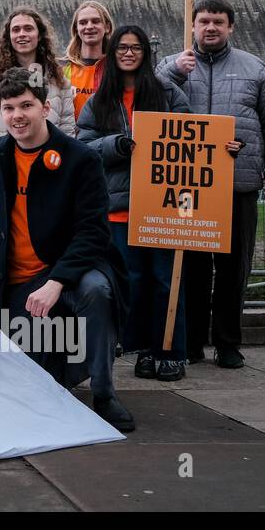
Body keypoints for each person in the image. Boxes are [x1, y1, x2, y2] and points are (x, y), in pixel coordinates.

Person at [0, 67, 135, 432]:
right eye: (10, 107)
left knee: (97, 291)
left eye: (26, 106)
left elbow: (93, 232)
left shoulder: (80, 158)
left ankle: (105, 391)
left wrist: (58, 281)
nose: (17, 116)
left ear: (45, 108)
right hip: (21, 280)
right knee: (33, 384)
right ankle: (60, 372)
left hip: (70, 269)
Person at [155, 0, 265, 369]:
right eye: (203, 21)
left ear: (230, 26)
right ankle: (194, 342)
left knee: (234, 269)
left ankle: (229, 343)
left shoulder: (255, 68)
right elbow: (149, 103)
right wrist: (171, 73)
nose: (210, 27)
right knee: (193, 270)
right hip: (189, 186)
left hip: (238, 183)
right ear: (193, 26)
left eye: (218, 21)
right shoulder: (173, 65)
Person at [77, 25, 196, 381]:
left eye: (136, 48)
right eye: (122, 48)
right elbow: (84, 149)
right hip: (120, 208)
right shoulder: (99, 100)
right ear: (112, 55)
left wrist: (225, 147)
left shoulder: (166, 92)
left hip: (163, 206)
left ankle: (171, 352)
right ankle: (144, 349)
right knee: (133, 282)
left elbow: (193, 136)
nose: (129, 53)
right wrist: (118, 145)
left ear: (146, 53)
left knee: (167, 280)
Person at [0, 7, 76, 279]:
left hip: (45, 177)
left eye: (28, 28)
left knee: (41, 256)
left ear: (40, 35)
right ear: (7, 36)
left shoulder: (59, 80)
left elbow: (67, 129)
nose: (22, 34)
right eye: (16, 29)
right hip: (2, 176)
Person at [63, 0, 115, 121]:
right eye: (83, 22)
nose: (89, 26)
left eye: (96, 21)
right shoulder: (61, 68)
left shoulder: (117, 68)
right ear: (76, 29)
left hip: (106, 137)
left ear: (107, 27)